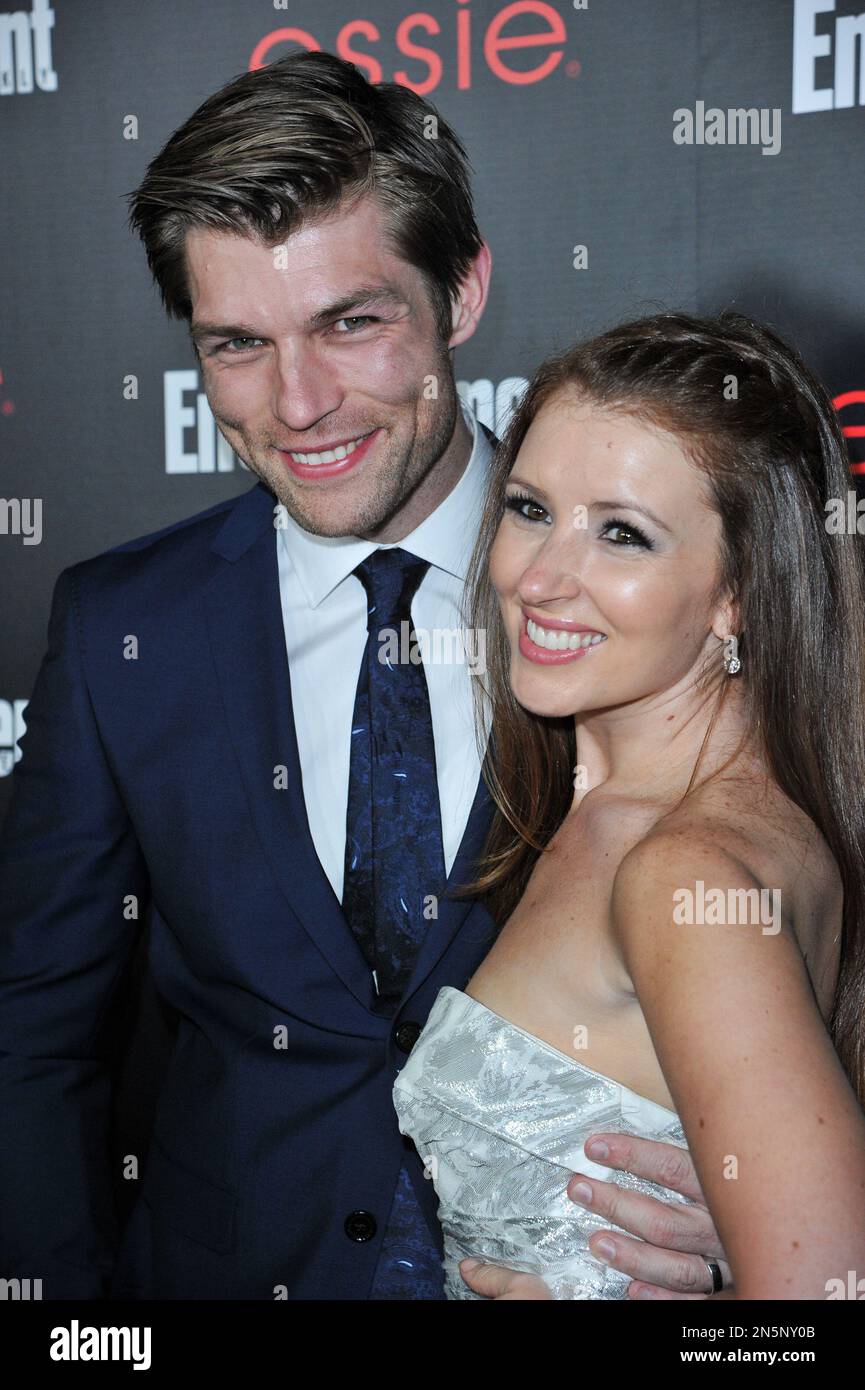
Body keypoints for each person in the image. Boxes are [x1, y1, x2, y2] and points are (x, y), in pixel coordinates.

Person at [0, 52, 727, 1301]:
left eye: (351, 322)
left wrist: (746, 1221)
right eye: (237, 342)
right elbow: (29, 1037)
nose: (298, 403)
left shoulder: (646, 595)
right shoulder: (129, 628)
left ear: (462, 291)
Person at [393, 309, 865, 1299]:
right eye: (528, 510)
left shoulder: (682, 870)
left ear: (738, 592)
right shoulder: (607, 813)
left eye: (621, 534)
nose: (540, 577)